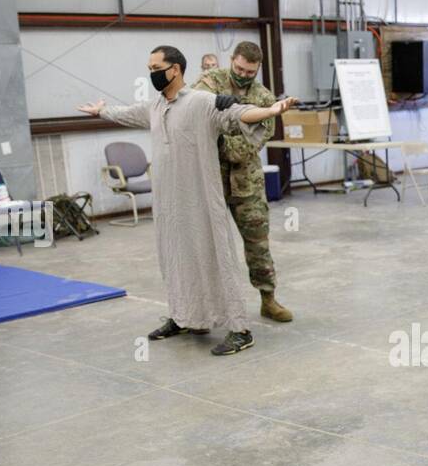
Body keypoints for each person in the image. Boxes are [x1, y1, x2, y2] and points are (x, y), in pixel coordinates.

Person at [77, 45, 296, 356]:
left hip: (213, 190)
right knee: (176, 256)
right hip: (171, 201)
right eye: (149, 67)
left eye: (156, 67)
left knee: (220, 253)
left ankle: (240, 326)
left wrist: (273, 110)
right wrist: (101, 111)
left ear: (174, 69)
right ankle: (184, 316)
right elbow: (128, 113)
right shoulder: (158, 105)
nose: (151, 73)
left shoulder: (201, 101)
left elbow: (239, 113)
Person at [194, 41, 293, 322]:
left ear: (257, 69)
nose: (243, 74)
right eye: (239, 68)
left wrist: (220, 139)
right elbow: (193, 112)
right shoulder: (211, 82)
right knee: (207, 246)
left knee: (258, 243)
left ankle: (268, 299)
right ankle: (207, 307)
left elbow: (250, 144)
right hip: (209, 180)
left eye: (250, 71)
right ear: (232, 60)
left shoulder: (265, 100)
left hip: (246, 184)